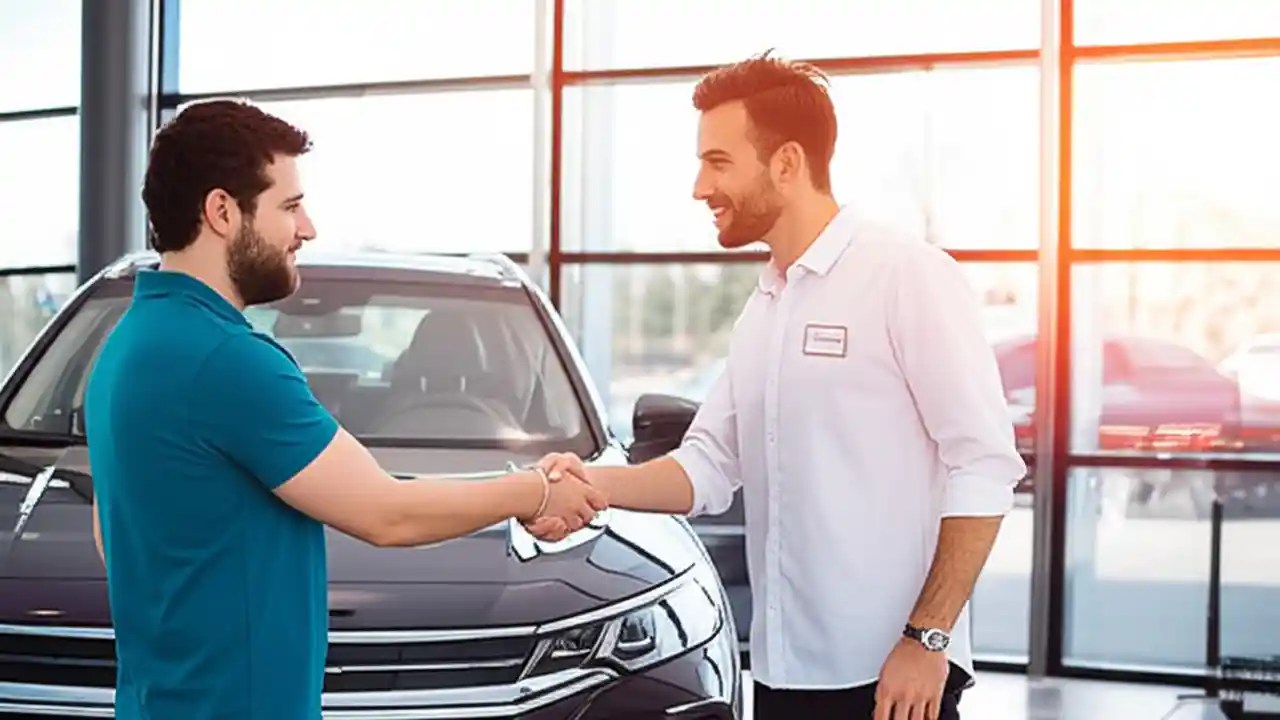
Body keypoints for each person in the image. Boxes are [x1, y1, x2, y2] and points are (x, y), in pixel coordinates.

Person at [529, 52, 1027, 720]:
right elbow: (707, 467)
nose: (700, 187)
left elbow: (984, 465)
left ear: (786, 163)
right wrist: (590, 484)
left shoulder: (905, 274)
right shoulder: (766, 304)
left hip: (893, 679)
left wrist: (927, 639)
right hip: (784, 672)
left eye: (719, 162)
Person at [83, 98, 606, 720]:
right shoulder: (226, 359)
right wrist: (533, 494)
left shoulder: (125, 347)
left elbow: (110, 531)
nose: (307, 229)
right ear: (222, 211)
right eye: (290, 205)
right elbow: (388, 513)